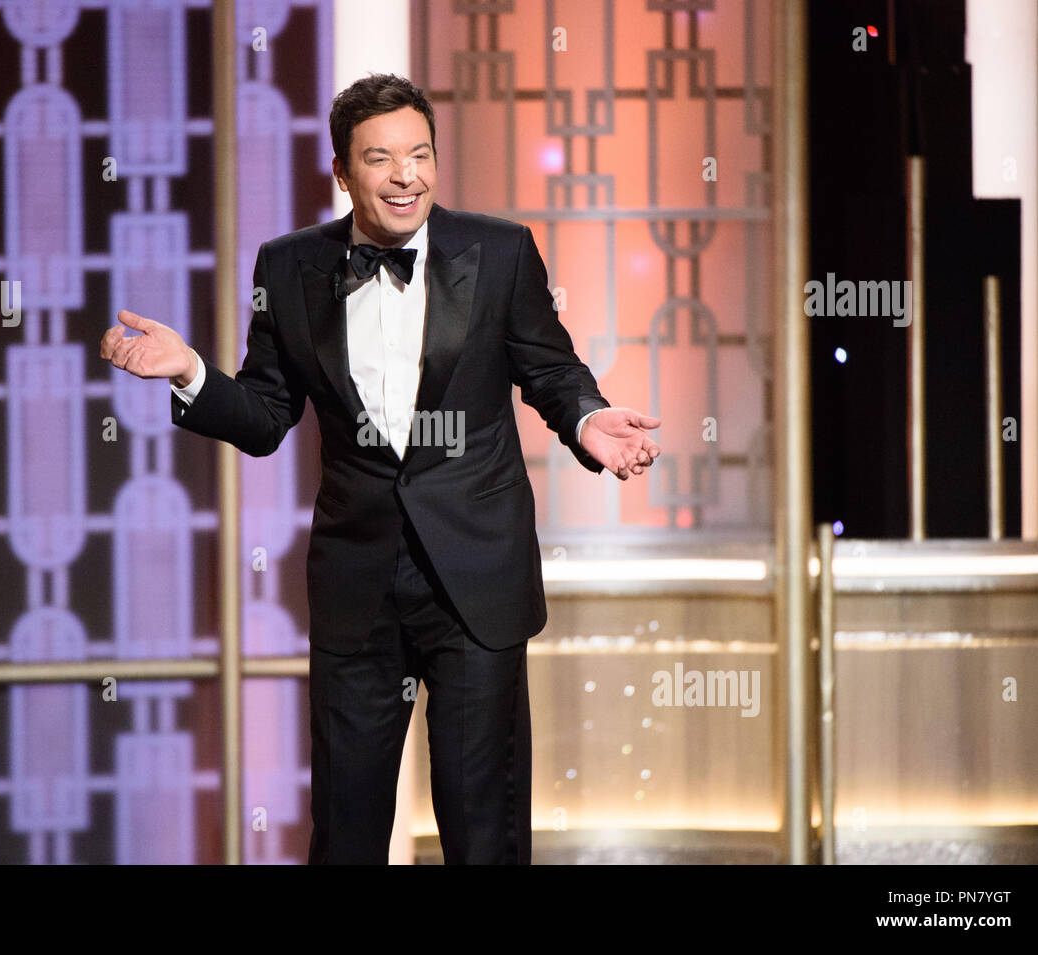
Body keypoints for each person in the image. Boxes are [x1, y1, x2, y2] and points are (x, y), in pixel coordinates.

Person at [100, 73, 661, 864]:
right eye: (382, 159)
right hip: (357, 585)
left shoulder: (498, 251)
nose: (407, 176)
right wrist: (192, 370)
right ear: (342, 172)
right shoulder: (289, 267)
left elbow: (551, 369)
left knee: (483, 833)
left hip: (476, 580)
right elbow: (265, 418)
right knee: (348, 831)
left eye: (421, 155)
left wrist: (588, 417)